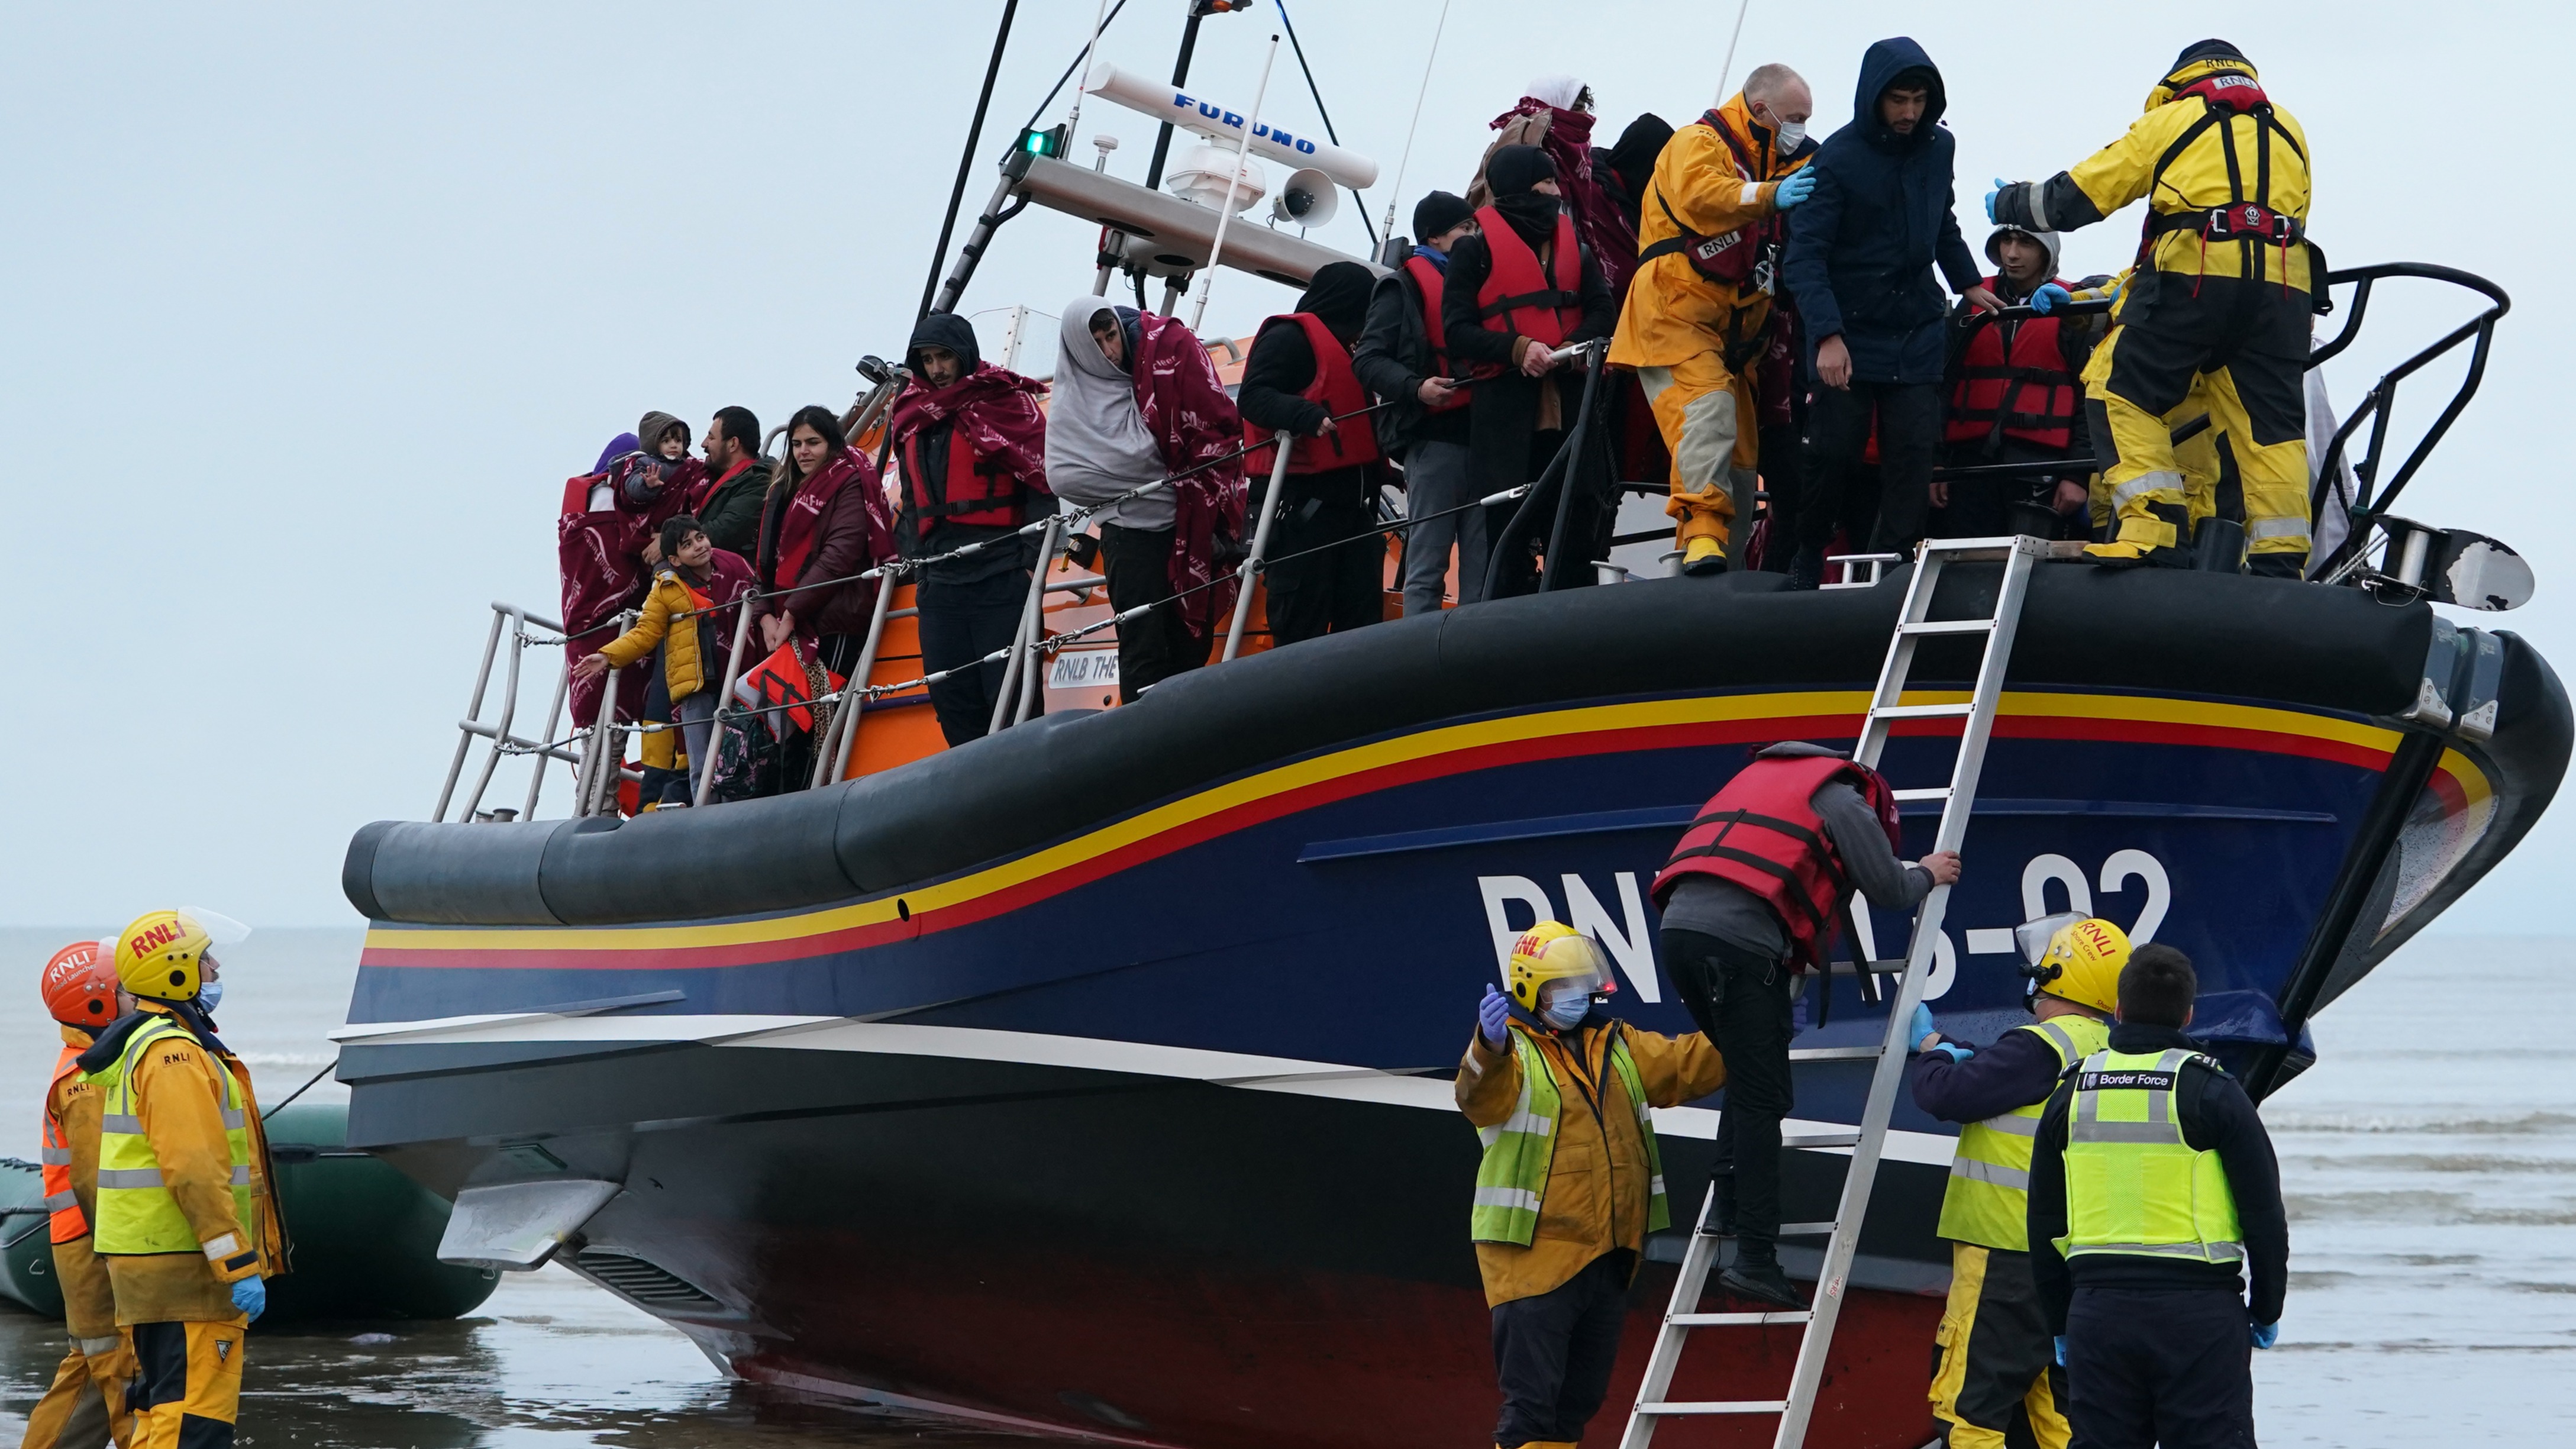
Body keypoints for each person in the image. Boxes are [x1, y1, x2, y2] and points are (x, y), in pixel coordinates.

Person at [1649, 741, 1962, 1308]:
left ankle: (1728, 1204)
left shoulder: (1752, 779)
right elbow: (1889, 889)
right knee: (1766, 1097)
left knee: (1748, 1079)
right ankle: (1756, 1258)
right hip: (1739, 950)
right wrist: (1926, 872)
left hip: (1678, 935)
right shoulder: (1842, 796)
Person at [1987, 40, 2316, 573]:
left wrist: (2012, 203)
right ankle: (2283, 562)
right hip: (2282, 293)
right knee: (2270, 430)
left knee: (2119, 384)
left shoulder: (2175, 119)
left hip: (2194, 277)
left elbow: (2084, 194)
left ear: (2177, 81)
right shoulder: (2292, 132)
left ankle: (2152, 527)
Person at [1460, 922, 1728, 1449]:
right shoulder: (1512, 1054)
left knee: (1575, 1407)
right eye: (1566, 986)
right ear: (1530, 991)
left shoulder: (1616, 1043)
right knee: (1532, 1409)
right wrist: (1487, 1048)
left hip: (1607, 1256)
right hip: (1536, 1263)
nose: (1581, 995)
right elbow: (1478, 1097)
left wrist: (1749, 1031)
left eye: (1586, 982)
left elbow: (1682, 1066)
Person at [2027, 943, 2289, 1449]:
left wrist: (2060, 1319)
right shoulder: (2211, 1090)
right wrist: (2267, 1306)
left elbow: (2043, 1220)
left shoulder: (2073, 1093)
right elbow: (2264, 1212)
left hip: (2098, 1315)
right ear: (2189, 1014)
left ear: (2118, 1010)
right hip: (2200, 1319)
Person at [1783, 38, 2000, 586]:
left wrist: (1968, 282)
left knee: (1912, 456)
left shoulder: (1938, 148)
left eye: (1919, 100)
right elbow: (1803, 257)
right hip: (1849, 331)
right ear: (1874, 98)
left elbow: (1942, 219)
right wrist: (1827, 336)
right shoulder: (1835, 159)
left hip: (1917, 325)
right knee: (1836, 453)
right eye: (1898, 100)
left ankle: (1891, 568)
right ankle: (1808, 557)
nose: (1909, 113)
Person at [1906, 916, 2126, 1449]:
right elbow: (2004, 1079)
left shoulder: (2039, 1045)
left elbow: (1947, 1095)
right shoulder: (2108, 1052)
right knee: (2060, 1417)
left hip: (2003, 1256)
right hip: (2071, 1262)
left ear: (2053, 976)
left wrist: (1930, 1054)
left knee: (1969, 1414)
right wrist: (1948, 1042)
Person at [79, 910, 283, 1449]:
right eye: (205, 959)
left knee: (164, 1411)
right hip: (185, 1269)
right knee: (192, 1420)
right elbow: (194, 1168)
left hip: (159, 1267)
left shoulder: (152, 1044)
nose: (215, 968)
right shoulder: (173, 1054)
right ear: (177, 974)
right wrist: (236, 1262)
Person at [1609, 62, 1818, 575]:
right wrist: (1770, 196)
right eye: (1794, 117)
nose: (1802, 129)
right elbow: (1704, 196)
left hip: (1734, 340)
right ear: (1760, 108)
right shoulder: (1697, 144)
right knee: (1708, 412)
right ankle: (1702, 537)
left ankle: (1725, 565)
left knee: (1743, 460)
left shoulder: (1774, 168)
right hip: (1673, 316)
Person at [1044, 298, 1245, 699]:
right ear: (1079, 351)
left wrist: (1145, 471)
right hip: (1129, 539)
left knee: (1192, 641)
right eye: (1096, 343)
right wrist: (1163, 472)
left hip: (1188, 526)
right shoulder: (1072, 403)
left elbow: (1216, 430)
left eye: (1111, 336)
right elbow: (1063, 475)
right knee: (1142, 647)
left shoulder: (1155, 369)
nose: (1108, 351)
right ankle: (1146, 743)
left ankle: (1187, 736)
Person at [1441, 147, 1618, 596]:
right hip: (1506, 421)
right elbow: (1457, 331)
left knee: (1578, 529)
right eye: (1547, 186)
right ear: (1521, 188)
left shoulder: (1574, 246)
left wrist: (1569, 349)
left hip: (1572, 416)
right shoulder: (1474, 250)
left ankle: (1570, 623)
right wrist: (1518, 349)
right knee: (1508, 537)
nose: (1556, 194)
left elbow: (1603, 309)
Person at [884, 312, 1053, 743]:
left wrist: (1033, 564)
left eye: (945, 357)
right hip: (940, 586)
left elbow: (1042, 483)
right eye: (928, 359)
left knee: (1013, 699)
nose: (938, 368)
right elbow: (910, 497)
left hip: (1002, 575)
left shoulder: (1006, 402)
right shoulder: (908, 414)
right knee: (953, 702)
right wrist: (916, 565)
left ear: (965, 354)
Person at [1238, 261, 1392, 644]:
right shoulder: (1290, 337)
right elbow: (1254, 396)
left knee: (1361, 628)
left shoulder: (1350, 350)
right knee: (1300, 626)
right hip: (1302, 516)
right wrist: (1305, 414)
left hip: (1353, 515)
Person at [22, 941, 134, 1449]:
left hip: (81, 1241)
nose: (137, 997)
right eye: (126, 989)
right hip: (96, 1246)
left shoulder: (84, 1061)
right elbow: (95, 1181)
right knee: (125, 1373)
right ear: (98, 1003)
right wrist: (126, 1253)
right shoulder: (86, 1079)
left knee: (89, 1372)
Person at [574, 514, 766, 807]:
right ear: (675, 560)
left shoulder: (735, 566)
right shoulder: (666, 588)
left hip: (739, 677)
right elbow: (646, 631)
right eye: (688, 545)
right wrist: (607, 656)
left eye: (700, 538)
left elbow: (760, 598)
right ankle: (706, 816)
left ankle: (734, 812)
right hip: (696, 686)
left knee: (738, 753)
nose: (699, 547)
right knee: (702, 761)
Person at [1352, 191, 1486, 615]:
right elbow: (1369, 359)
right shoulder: (1402, 285)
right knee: (1428, 563)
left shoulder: (1480, 280)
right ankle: (1420, 664)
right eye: (1466, 229)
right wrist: (1416, 387)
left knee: (1483, 568)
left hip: (1484, 438)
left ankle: (1477, 662)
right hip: (1434, 439)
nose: (1474, 237)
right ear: (1436, 237)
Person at [1937, 225, 2101, 539]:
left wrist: (2077, 476)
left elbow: (2090, 396)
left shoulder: (2073, 308)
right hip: (1968, 466)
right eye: (2006, 241)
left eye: (2026, 243)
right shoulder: (1970, 303)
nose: (2012, 254)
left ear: (2046, 252)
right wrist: (1936, 464)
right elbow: (1942, 386)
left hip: (2041, 471)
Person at [758, 405, 897, 683]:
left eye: (813, 443)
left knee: (821, 716)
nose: (803, 452)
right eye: (796, 444)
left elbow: (840, 554)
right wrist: (765, 617)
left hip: (834, 618)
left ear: (832, 444)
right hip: (783, 619)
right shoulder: (783, 488)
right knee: (790, 719)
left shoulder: (850, 481)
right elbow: (763, 561)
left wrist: (791, 613)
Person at [1467, 76, 1638, 299]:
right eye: (1576, 109)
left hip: (1571, 264)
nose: (1585, 117)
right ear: (1556, 107)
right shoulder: (1526, 143)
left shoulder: (1574, 155)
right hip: (1528, 279)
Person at [690, 405, 771, 558]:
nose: (704, 444)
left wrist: (672, 542)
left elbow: (726, 530)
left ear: (733, 444)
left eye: (711, 438)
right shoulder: (709, 476)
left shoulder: (761, 479)